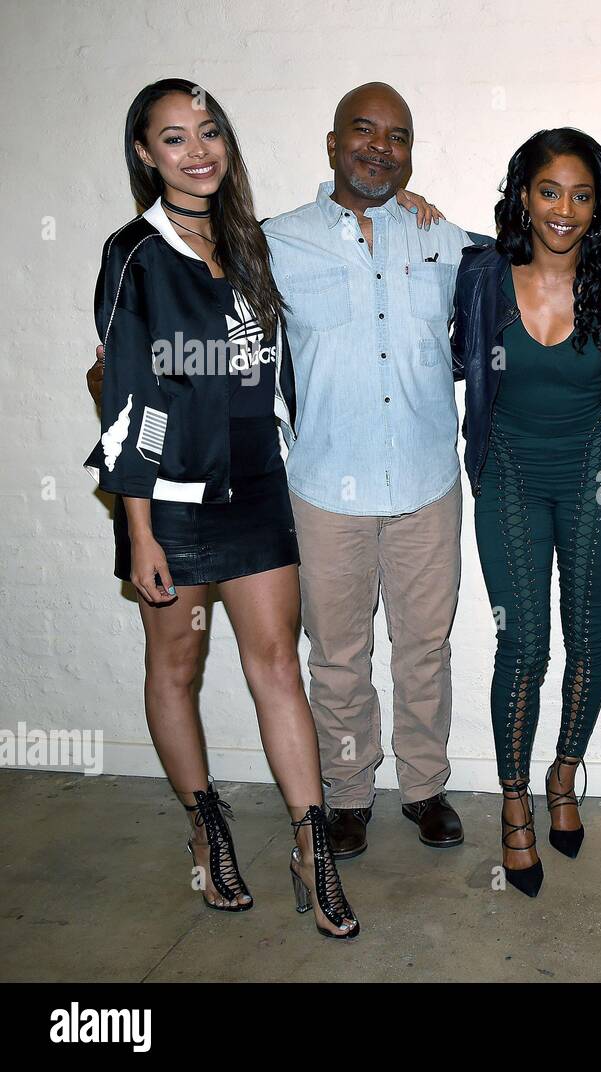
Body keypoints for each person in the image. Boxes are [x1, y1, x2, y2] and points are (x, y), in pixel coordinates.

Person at [88, 83, 462, 861]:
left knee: (425, 648)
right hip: (321, 487)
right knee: (334, 656)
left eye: (398, 136)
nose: (380, 148)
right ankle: (347, 796)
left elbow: (513, 279)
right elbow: (136, 367)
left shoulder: (441, 238)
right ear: (331, 145)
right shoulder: (272, 241)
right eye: (363, 130)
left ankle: (425, 787)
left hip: (425, 482)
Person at [84, 79, 357, 938]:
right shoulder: (134, 251)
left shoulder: (250, 244)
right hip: (168, 498)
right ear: (144, 154)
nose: (196, 151)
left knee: (277, 664)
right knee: (177, 670)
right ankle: (207, 826)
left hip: (255, 484)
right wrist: (138, 531)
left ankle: (310, 848)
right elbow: (127, 394)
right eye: (173, 139)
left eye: (208, 132)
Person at [452, 128, 601, 897]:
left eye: (581, 194)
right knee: (523, 647)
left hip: (596, 475)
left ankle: (564, 774)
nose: (563, 210)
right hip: (508, 475)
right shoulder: (482, 278)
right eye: (548, 191)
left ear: (599, 207)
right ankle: (513, 802)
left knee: (589, 637)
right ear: (523, 196)